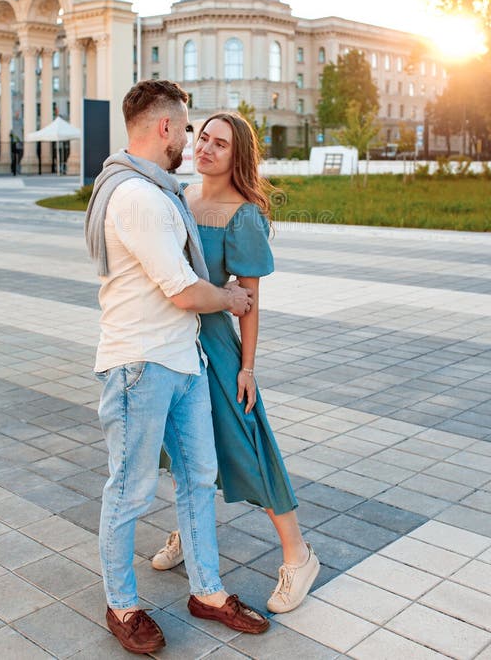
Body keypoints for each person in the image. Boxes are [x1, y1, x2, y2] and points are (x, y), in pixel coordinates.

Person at [85, 81, 270, 655]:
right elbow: (185, 291)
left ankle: (207, 593)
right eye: (187, 128)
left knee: (197, 480)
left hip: (180, 360)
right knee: (130, 490)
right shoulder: (138, 198)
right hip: (140, 364)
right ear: (164, 128)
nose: (189, 140)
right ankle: (122, 604)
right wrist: (233, 300)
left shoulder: (156, 190)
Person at [153, 112, 320, 614]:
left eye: (219, 144)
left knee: (246, 442)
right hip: (171, 341)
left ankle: (298, 554)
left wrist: (247, 368)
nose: (205, 148)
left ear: (236, 156)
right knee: (183, 446)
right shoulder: (180, 196)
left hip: (218, 349)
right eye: (202, 137)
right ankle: (191, 529)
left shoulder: (243, 214)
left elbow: (248, 300)